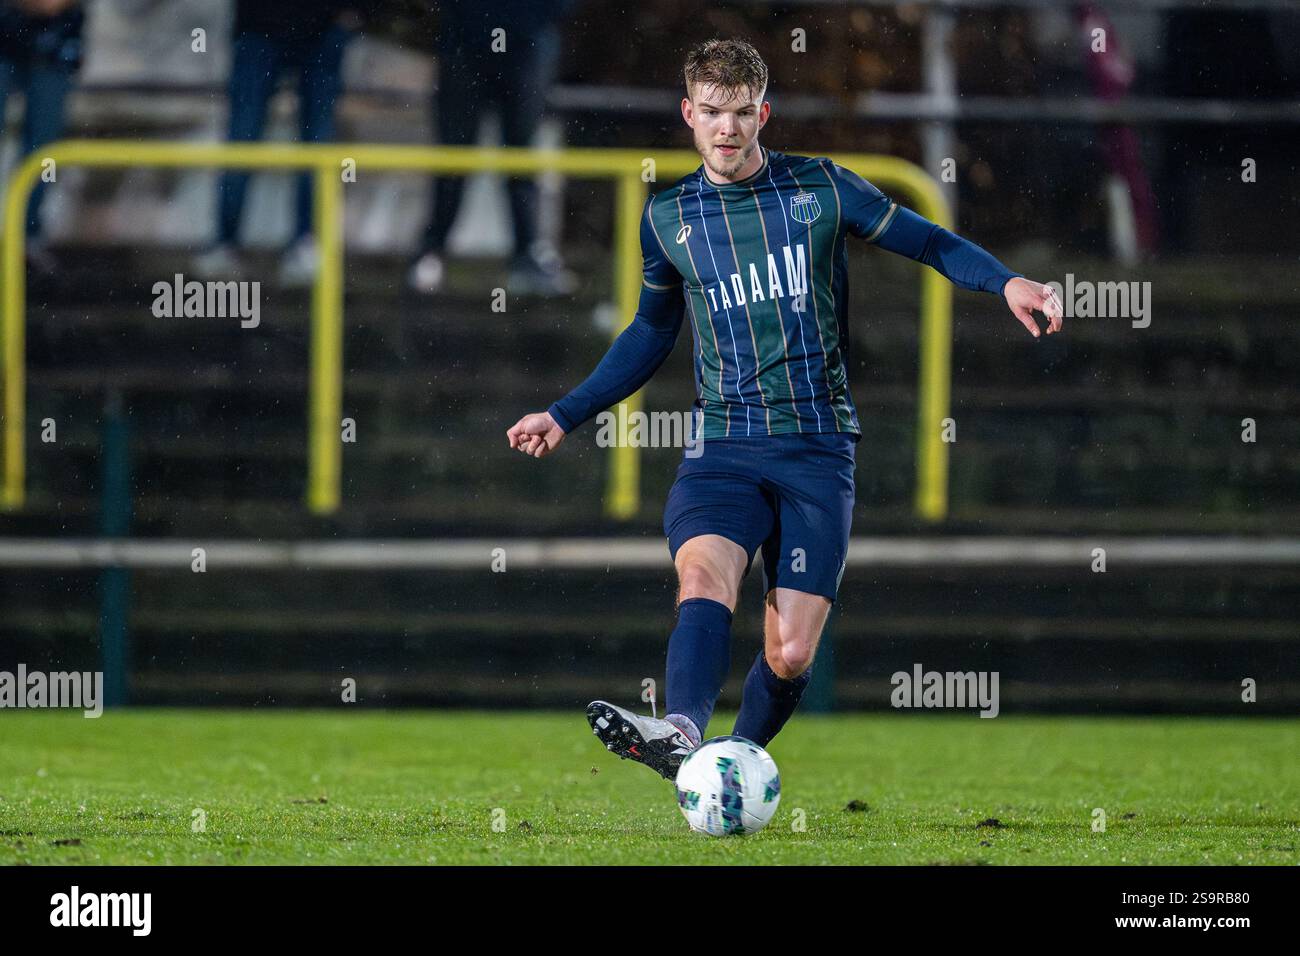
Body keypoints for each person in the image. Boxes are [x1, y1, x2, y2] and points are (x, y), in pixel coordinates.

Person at [506, 38, 1064, 780]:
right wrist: (565, 413)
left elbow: (923, 238)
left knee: (791, 652)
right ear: (688, 115)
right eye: (710, 113)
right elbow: (649, 332)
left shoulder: (823, 190)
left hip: (816, 447)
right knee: (704, 578)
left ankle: (730, 766)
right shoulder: (668, 217)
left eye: (740, 114)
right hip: (724, 447)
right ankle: (679, 733)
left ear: (762, 114)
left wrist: (1005, 283)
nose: (726, 130)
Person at [406, 0, 576, 297]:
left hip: (526, 43)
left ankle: (527, 254)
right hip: (465, 40)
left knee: (521, 157)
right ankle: (432, 251)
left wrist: (529, 21)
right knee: (454, 157)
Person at [194, 1, 361, 286]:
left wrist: (352, 15)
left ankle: (303, 242)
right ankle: (225, 243)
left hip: (319, 28)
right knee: (244, 139)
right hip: (262, 26)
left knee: (315, 146)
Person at [0, 0, 84, 270]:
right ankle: (25, 236)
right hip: (9, 34)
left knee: (43, 149)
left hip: (56, 41)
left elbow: (52, 5)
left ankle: (26, 235)